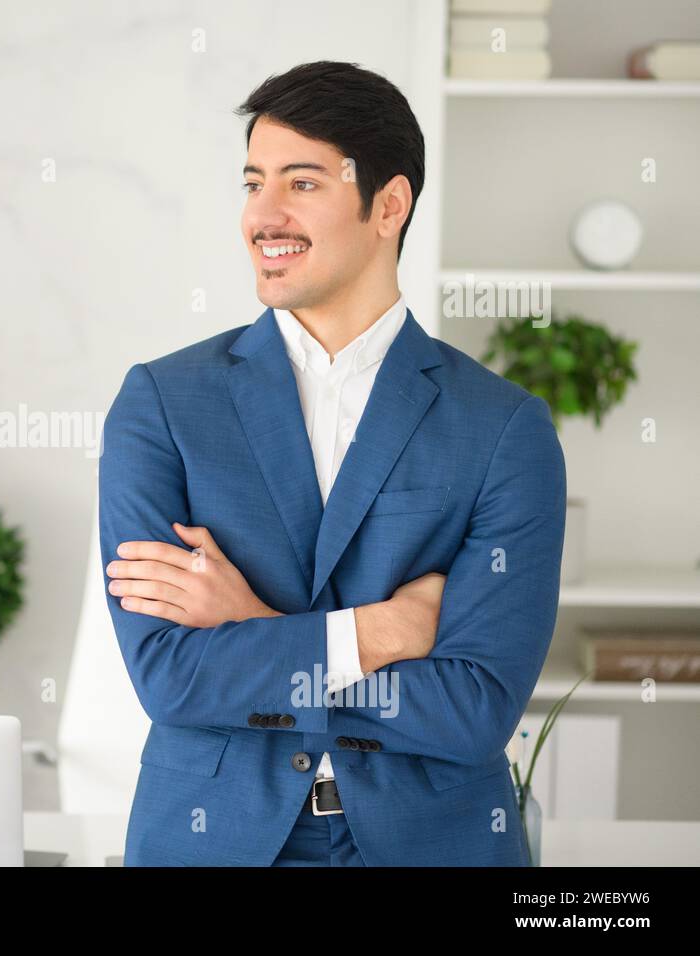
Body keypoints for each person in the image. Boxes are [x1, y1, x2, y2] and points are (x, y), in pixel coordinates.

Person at [99, 60, 566, 866]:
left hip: (433, 843)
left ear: (389, 204)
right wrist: (381, 632)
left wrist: (251, 629)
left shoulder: (503, 427)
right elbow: (171, 679)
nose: (263, 215)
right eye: (253, 183)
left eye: (302, 183)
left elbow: (476, 709)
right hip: (212, 838)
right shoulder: (164, 405)